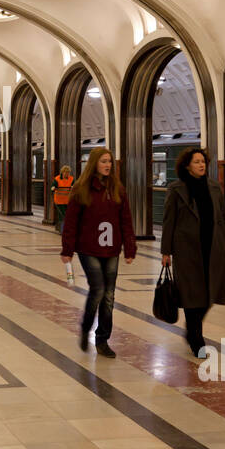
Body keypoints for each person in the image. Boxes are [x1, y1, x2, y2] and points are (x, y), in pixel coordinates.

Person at [60, 147, 135, 358]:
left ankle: (102, 339)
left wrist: (130, 247)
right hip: (89, 248)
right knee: (98, 289)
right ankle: (86, 328)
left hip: (111, 249)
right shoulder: (81, 189)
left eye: (109, 161)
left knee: (109, 295)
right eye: (103, 161)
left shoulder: (117, 189)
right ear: (94, 163)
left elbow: (126, 220)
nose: (107, 165)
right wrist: (67, 249)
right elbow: (71, 222)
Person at [160, 148, 225, 358]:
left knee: (209, 294)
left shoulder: (214, 187)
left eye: (203, 161)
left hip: (213, 248)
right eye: (197, 162)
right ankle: (196, 339)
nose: (201, 165)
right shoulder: (176, 189)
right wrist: (166, 252)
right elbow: (169, 221)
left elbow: (224, 217)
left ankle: (192, 330)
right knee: (193, 296)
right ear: (187, 165)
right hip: (187, 250)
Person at [49, 165, 74, 232]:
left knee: (68, 215)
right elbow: (53, 186)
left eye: (68, 172)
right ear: (62, 172)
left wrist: (73, 187)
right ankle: (63, 230)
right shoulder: (57, 179)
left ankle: (64, 228)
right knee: (62, 215)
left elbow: (74, 186)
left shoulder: (71, 179)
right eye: (66, 172)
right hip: (59, 201)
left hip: (68, 201)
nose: (67, 174)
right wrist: (53, 188)